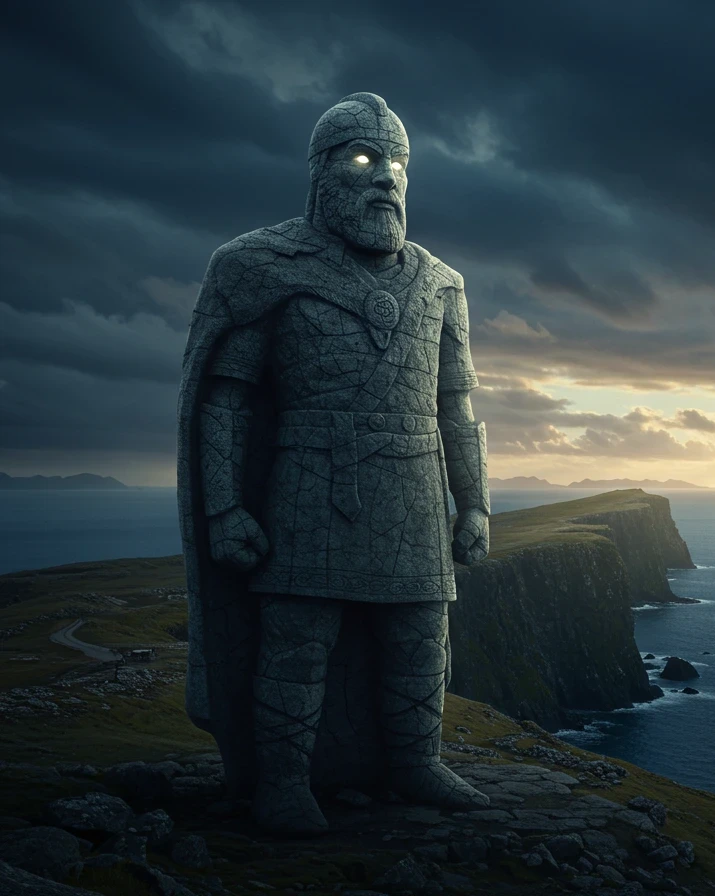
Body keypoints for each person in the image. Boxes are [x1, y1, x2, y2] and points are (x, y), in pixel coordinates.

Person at [177, 93, 491, 834]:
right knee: (296, 644)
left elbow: (458, 407)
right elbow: (225, 397)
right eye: (363, 157)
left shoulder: (442, 284)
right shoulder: (264, 266)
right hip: (312, 488)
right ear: (321, 173)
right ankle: (283, 782)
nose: (386, 177)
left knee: (419, 640)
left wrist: (473, 502)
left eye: (399, 162)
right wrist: (223, 507)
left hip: (415, 487)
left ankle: (415, 762)